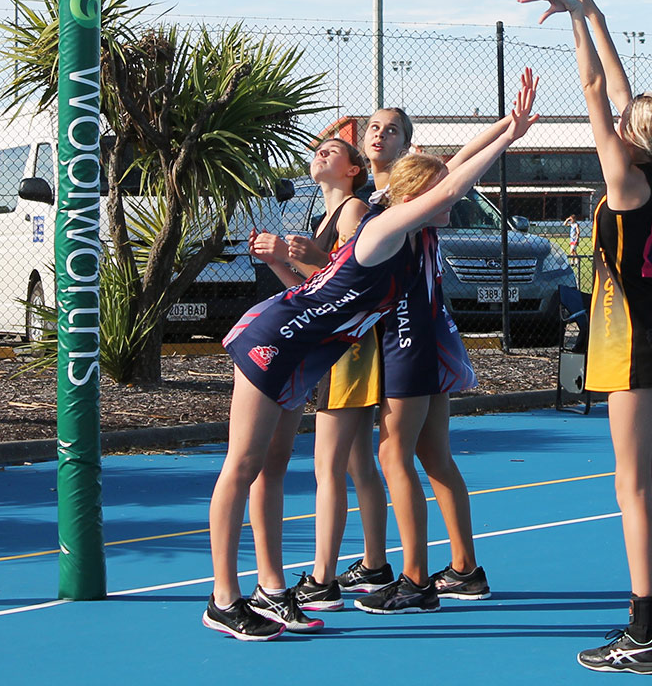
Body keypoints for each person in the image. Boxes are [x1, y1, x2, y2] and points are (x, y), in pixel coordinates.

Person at [202, 77, 537, 640]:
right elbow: (450, 185)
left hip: (305, 351)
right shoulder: (381, 231)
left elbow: (450, 168)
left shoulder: (402, 236)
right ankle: (222, 599)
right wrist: (506, 141)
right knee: (243, 465)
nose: (451, 206)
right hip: (276, 339)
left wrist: (510, 126)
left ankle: (271, 589)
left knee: (274, 467)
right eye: (435, 197)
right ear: (417, 200)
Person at [521, 0, 652, 673]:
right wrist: (591, 11)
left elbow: (592, 89)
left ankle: (642, 634)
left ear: (634, 133)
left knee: (632, 487)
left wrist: (575, 28)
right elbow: (617, 86)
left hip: (630, 339)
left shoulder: (625, 180)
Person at [353, 88, 539, 613]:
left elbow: (459, 167)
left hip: (409, 337)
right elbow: (456, 166)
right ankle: (464, 568)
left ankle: (413, 581)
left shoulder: (409, 198)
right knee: (433, 456)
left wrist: (508, 130)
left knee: (394, 454)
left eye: (392, 128)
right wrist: (508, 128)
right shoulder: (385, 197)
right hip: (420, 336)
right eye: (374, 125)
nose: (380, 132)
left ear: (409, 146)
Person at [246, 137, 392, 614]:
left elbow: (351, 286)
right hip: (331, 343)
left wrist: (301, 259)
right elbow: (311, 292)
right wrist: (279, 263)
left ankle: (324, 577)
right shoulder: (327, 217)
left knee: (328, 465)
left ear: (353, 170)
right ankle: (374, 562)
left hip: (346, 349)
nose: (321, 155)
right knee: (356, 463)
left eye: (333, 151)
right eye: (318, 151)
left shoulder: (352, 212)